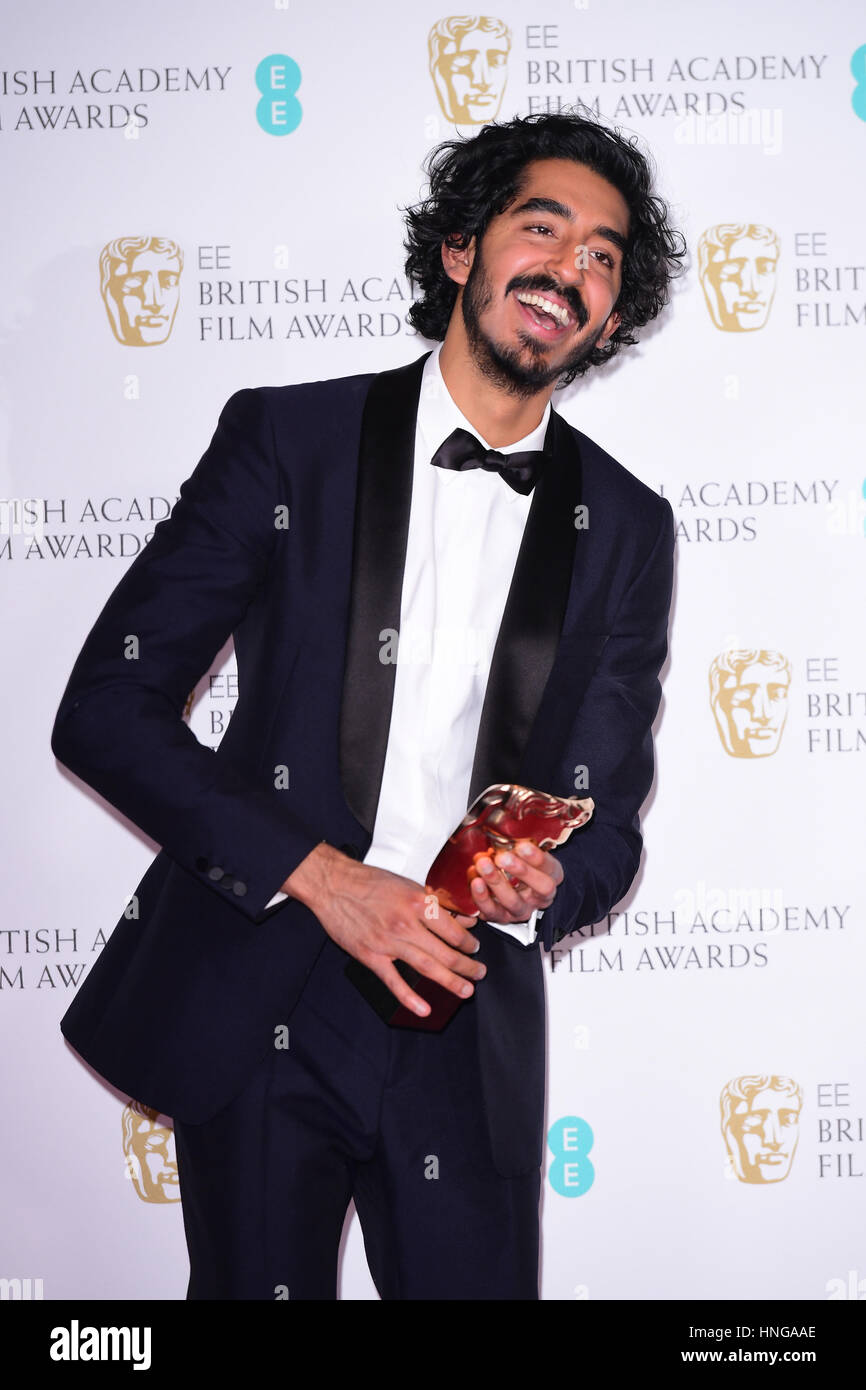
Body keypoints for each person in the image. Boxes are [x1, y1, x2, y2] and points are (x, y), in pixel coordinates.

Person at [52, 111, 683, 1300]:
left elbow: (605, 818)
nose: (568, 269)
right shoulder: (288, 441)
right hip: (264, 985)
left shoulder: (626, 524)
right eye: (539, 227)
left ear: (612, 309)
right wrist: (326, 880)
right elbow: (105, 707)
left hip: (466, 1005)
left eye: (603, 255)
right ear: (460, 248)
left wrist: (544, 881)